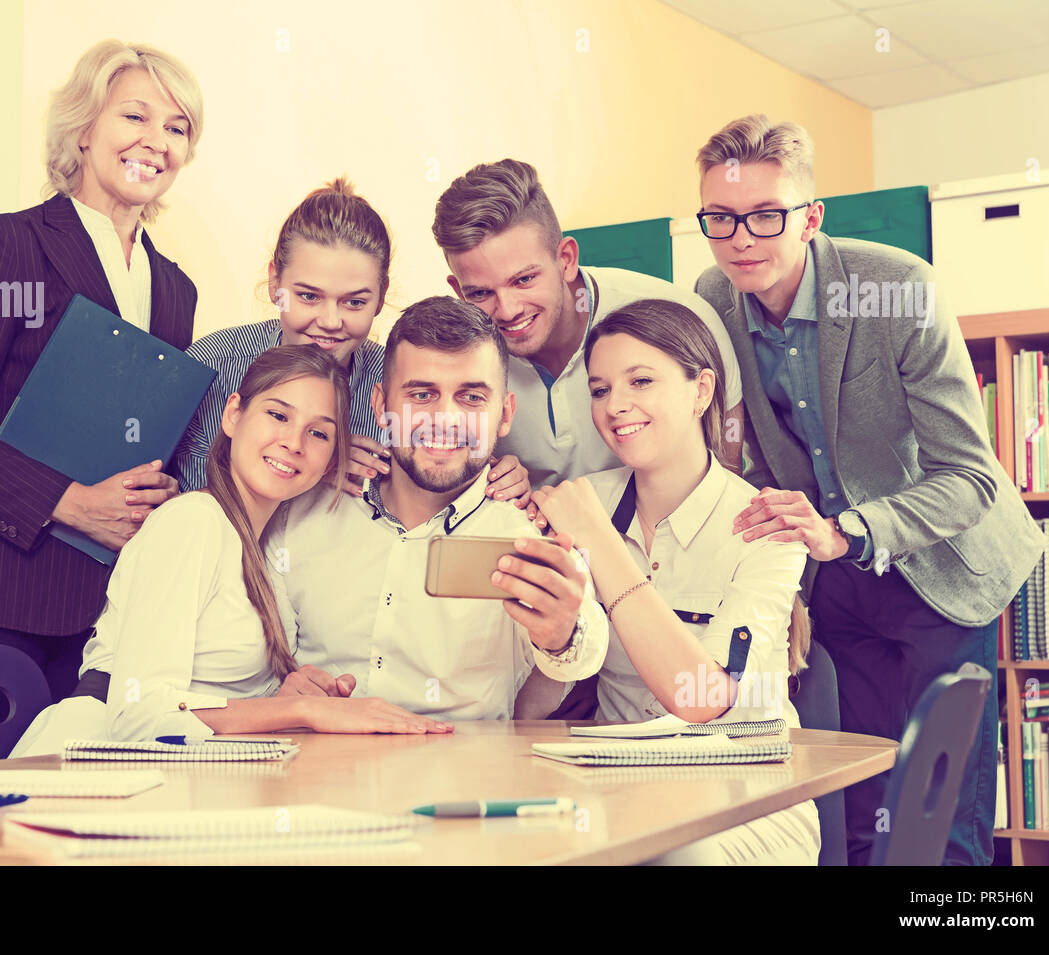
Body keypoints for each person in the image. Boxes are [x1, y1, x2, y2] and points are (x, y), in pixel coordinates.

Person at [691, 114, 1043, 865]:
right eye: (720, 218)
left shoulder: (897, 289)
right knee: (855, 806)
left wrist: (847, 528)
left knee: (936, 817)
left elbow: (971, 475)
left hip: (945, 569)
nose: (741, 239)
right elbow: (743, 449)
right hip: (834, 581)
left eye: (764, 216)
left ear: (811, 217)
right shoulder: (712, 298)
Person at [0, 40, 204, 703]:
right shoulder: (10, 244)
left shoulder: (178, 289)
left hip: (102, 625)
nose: (158, 140)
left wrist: (163, 499)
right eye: (136, 116)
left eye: (177, 128)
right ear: (84, 129)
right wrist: (73, 504)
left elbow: (143, 443)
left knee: (83, 806)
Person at [10, 345, 452, 755]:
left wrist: (285, 694)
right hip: (88, 766)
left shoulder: (271, 549)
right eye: (278, 415)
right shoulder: (192, 522)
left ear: (333, 458)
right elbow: (136, 716)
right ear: (233, 415)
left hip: (179, 772)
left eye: (318, 433)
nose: (293, 443)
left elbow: (211, 698)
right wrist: (304, 711)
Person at [532, 298, 820, 864]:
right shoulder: (583, 501)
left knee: (685, 858)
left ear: (702, 390)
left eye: (641, 381)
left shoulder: (766, 525)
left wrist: (599, 543)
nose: (616, 406)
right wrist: (555, 638)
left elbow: (704, 698)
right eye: (599, 389)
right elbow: (532, 708)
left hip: (745, 799)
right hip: (615, 791)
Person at [268, 297, 608, 719]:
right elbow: (258, 669)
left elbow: (583, 648)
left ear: (504, 415)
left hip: (466, 778)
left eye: (470, 398)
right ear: (380, 406)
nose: (445, 420)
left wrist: (561, 633)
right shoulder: (297, 517)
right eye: (423, 394)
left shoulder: (533, 534)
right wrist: (285, 695)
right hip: (319, 771)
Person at [173, 179, 531, 502]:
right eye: (309, 297)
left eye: (354, 302)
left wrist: (498, 477)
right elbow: (177, 507)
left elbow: (448, 467)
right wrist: (310, 468)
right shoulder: (212, 364)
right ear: (275, 282)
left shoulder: (399, 381)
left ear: (380, 296)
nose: (330, 322)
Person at [433, 157, 746, 489]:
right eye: (481, 292)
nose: (508, 311)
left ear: (565, 259)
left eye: (524, 280)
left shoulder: (683, 317)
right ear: (458, 290)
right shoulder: (454, 360)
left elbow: (726, 474)